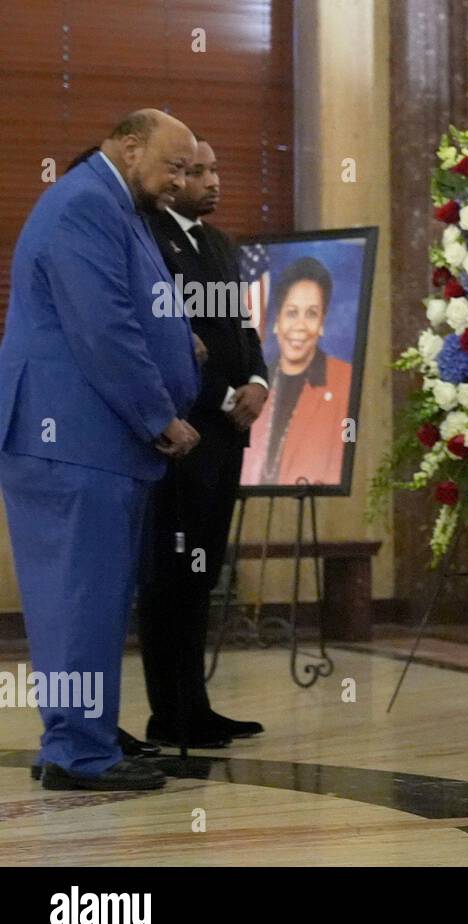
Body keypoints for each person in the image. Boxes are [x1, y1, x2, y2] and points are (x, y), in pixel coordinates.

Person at [0, 109, 202, 791]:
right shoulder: (87, 203)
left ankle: (80, 733)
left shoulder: (111, 204)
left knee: (91, 599)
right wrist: (159, 417)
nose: (180, 181)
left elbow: (129, 308)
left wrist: (183, 344)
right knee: (79, 599)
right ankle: (78, 754)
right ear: (127, 144)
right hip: (73, 438)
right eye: (172, 165)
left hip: (91, 442)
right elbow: (103, 329)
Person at [139, 137, 268, 748]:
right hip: (184, 428)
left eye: (216, 168)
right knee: (171, 571)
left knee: (204, 570)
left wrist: (259, 381)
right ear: (172, 177)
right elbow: (171, 335)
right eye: (197, 171)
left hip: (228, 432)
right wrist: (222, 394)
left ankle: (198, 705)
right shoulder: (149, 234)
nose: (212, 180)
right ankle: (170, 713)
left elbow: (241, 325)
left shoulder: (218, 243)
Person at [241, 257, 352, 487]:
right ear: (276, 321)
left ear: (322, 322)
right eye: (291, 313)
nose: (300, 326)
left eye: (311, 314)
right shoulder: (255, 384)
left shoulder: (344, 381)